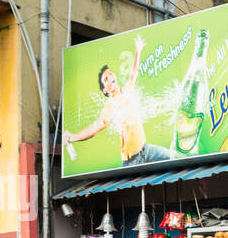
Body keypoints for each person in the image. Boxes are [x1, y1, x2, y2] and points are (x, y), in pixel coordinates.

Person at [65, 34, 174, 167]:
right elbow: (94, 128)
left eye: (110, 73)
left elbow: (134, 74)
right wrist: (72, 137)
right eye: (105, 79)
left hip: (146, 150)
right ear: (105, 90)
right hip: (133, 161)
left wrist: (138, 50)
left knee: (174, 157)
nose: (110, 76)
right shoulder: (110, 107)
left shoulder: (126, 91)